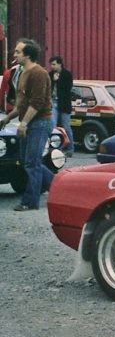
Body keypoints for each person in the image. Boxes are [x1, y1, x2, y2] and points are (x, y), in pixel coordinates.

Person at [0, 38, 54, 211]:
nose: (14, 54)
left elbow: (37, 103)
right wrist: (8, 118)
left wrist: (23, 123)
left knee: (31, 162)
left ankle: (30, 202)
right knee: (26, 160)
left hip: (40, 122)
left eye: (18, 52)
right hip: (29, 121)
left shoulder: (38, 73)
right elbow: (21, 104)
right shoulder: (22, 72)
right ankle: (58, 184)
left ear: (28, 55)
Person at [49, 55, 75, 156]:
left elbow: (67, 89)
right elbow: (48, 87)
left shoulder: (67, 74)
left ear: (60, 64)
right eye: (51, 64)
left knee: (66, 126)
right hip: (53, 102)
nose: (52, 66)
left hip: (64, 103)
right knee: (53, 126)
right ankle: (54, 149)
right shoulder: (50, 74)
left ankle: (70, 149)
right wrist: (53, 80)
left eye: (54, 64)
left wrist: (57, 81)